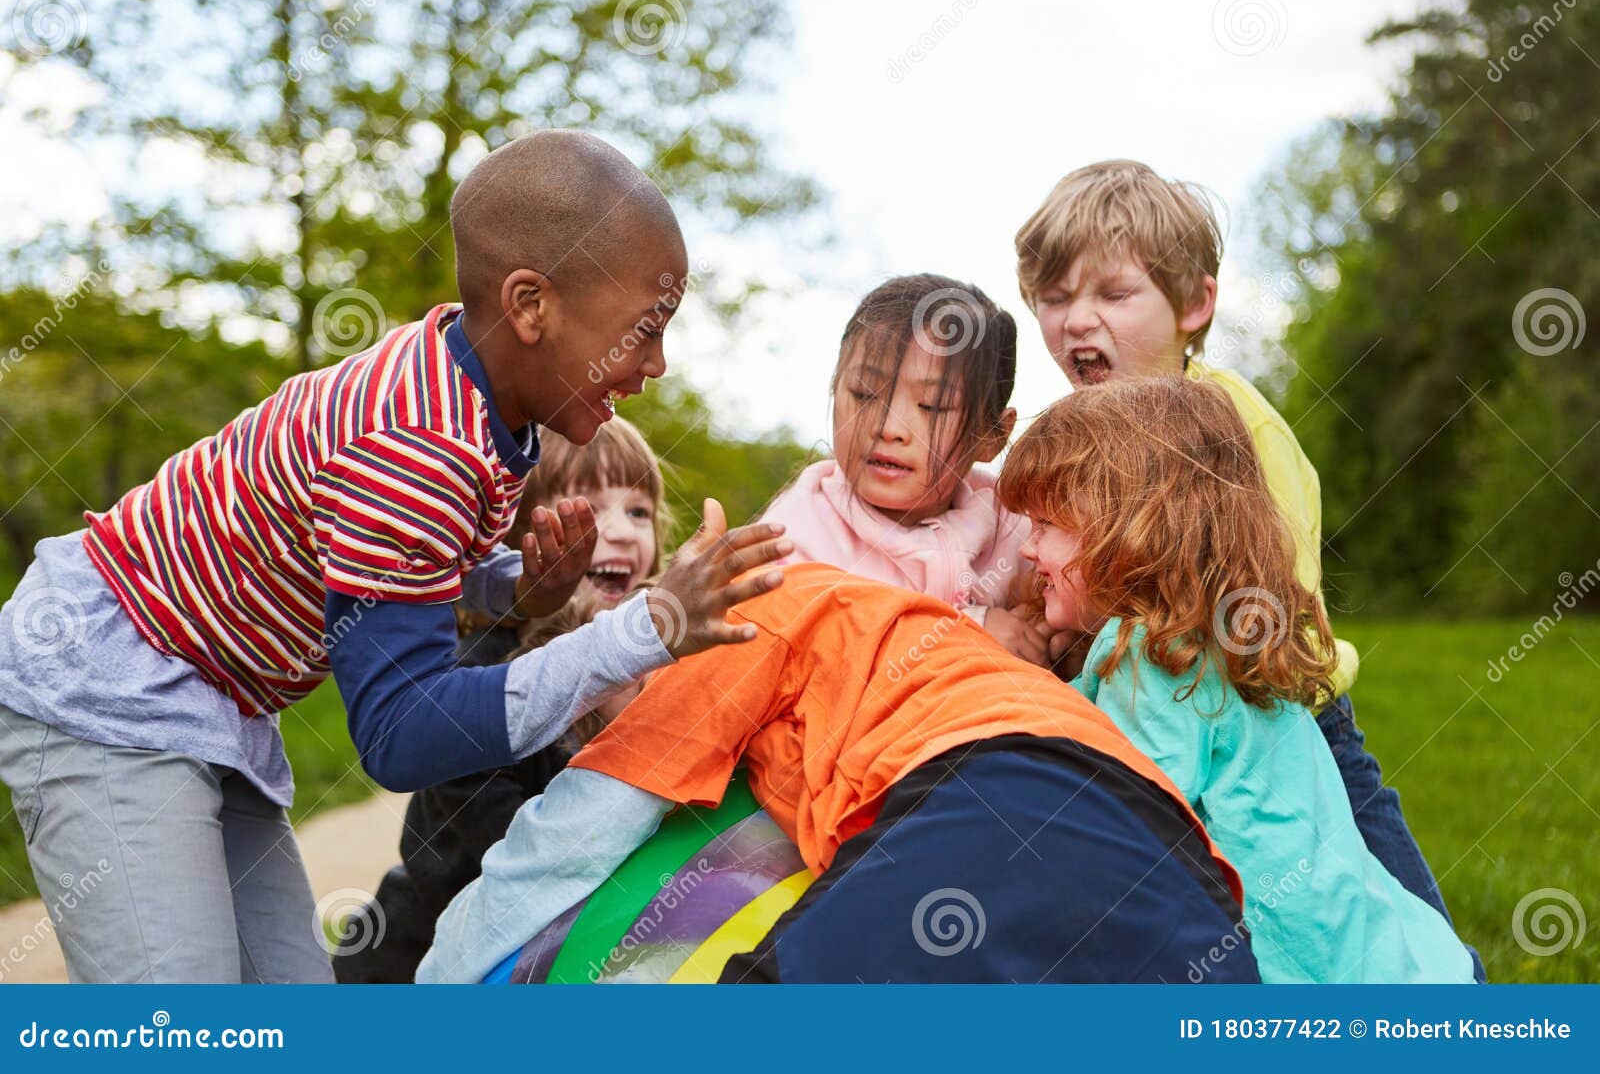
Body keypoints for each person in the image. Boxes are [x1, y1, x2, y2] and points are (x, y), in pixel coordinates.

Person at [0, 130, 788, 983]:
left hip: (216, 696)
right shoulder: (417, 447)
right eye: (644, 330)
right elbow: (401, 733)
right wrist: (648, 626)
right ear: (531, 306)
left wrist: (519, 591)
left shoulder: (477, 390)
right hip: (111, 687)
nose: (656, 364)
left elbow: (398, 579)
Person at [1013, 160, 1475, 962]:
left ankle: (1451, 1002)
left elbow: (1256, 576)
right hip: (1164, 689)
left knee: (1362, 896)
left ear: (1194, 305)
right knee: (1239, 906)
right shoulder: (1079, 435)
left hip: (1281, 706)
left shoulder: (1235, 426)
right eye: (1055, 298)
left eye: (1113, 295)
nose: (1077, 321)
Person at [416, 561, 1259, 985]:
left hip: (988, 798)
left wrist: (441, 982)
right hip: (1181, 869)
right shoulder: (891, 634)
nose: (616, 714)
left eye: (613, 701)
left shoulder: (732, 625)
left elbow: (578, 828)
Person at [999, 376, 1474, 982]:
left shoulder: (1149, 653)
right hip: (1396, 954)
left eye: (1045, 525)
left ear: (1128, 528)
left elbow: (1117, 817)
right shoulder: (1220, 640)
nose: (1029, 550)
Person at [333, 416, 667, 982]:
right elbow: (518, 854)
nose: (622, 531)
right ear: (522, 547)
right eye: (586, 510)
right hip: (416, 957)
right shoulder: (482, 677)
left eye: (638, 512)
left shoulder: (647, 674)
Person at [761, 273, 1052, 664]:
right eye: (865, 394)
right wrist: (970, 629)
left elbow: (1061, 615)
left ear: (992, 435)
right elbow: (811, 648)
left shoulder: (1013, 525)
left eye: (931, 405)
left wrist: (1044, 635)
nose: (888, 428)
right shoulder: (795, 531)